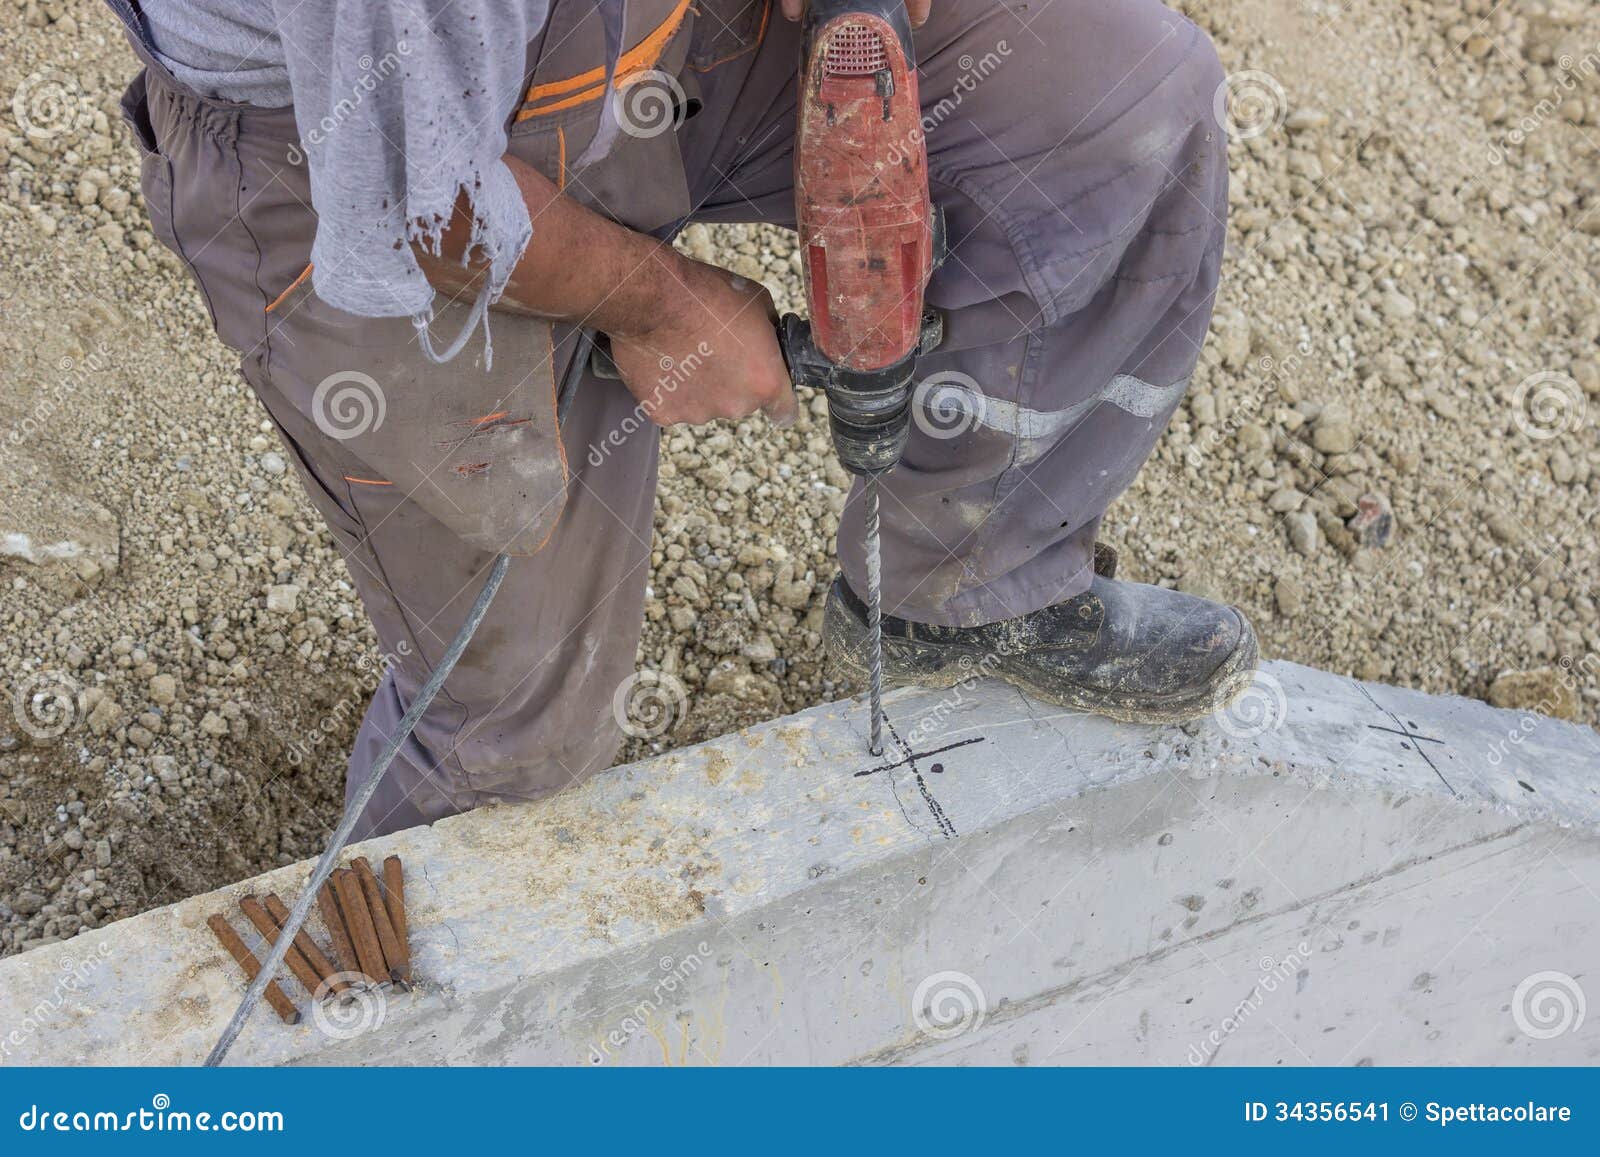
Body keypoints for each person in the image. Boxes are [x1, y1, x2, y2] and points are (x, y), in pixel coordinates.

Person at [107, 0, 1256, 838]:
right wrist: (656, 302)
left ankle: (963, 587)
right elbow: (430, 210)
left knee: (1119, 87)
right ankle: (384, 1047)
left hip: (652, 29)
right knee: (519, 740)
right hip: (366, 159)